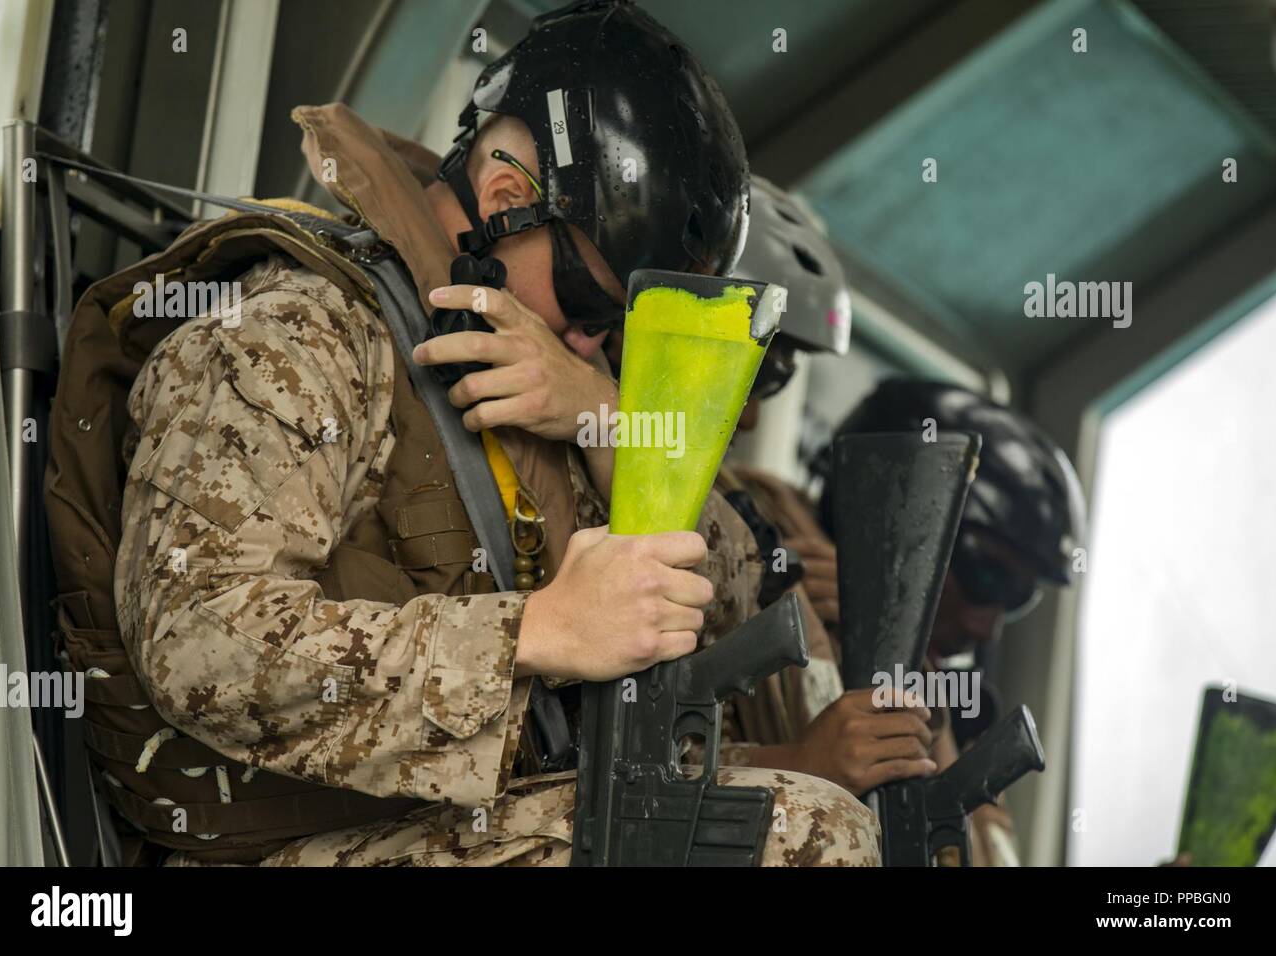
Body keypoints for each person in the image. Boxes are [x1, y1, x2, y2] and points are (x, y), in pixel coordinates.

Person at [47, 0, 878, 867]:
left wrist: (600, 410)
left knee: (824, 815)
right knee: (800, 834)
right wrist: (539, 632)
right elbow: (201, 644)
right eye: (593, 304)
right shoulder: (301, 331)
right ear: (507, 198)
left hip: (462, 815)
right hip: (289, 841)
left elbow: (736, 598)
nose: (594, 339)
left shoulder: (551, 369)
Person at [722, 378, 1086, 864]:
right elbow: (644, 786)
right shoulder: (740, 552)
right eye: (987, 576)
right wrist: (799, 767)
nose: (987, 627)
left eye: (1017, 596)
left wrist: (929, 710)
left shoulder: (944, 701)